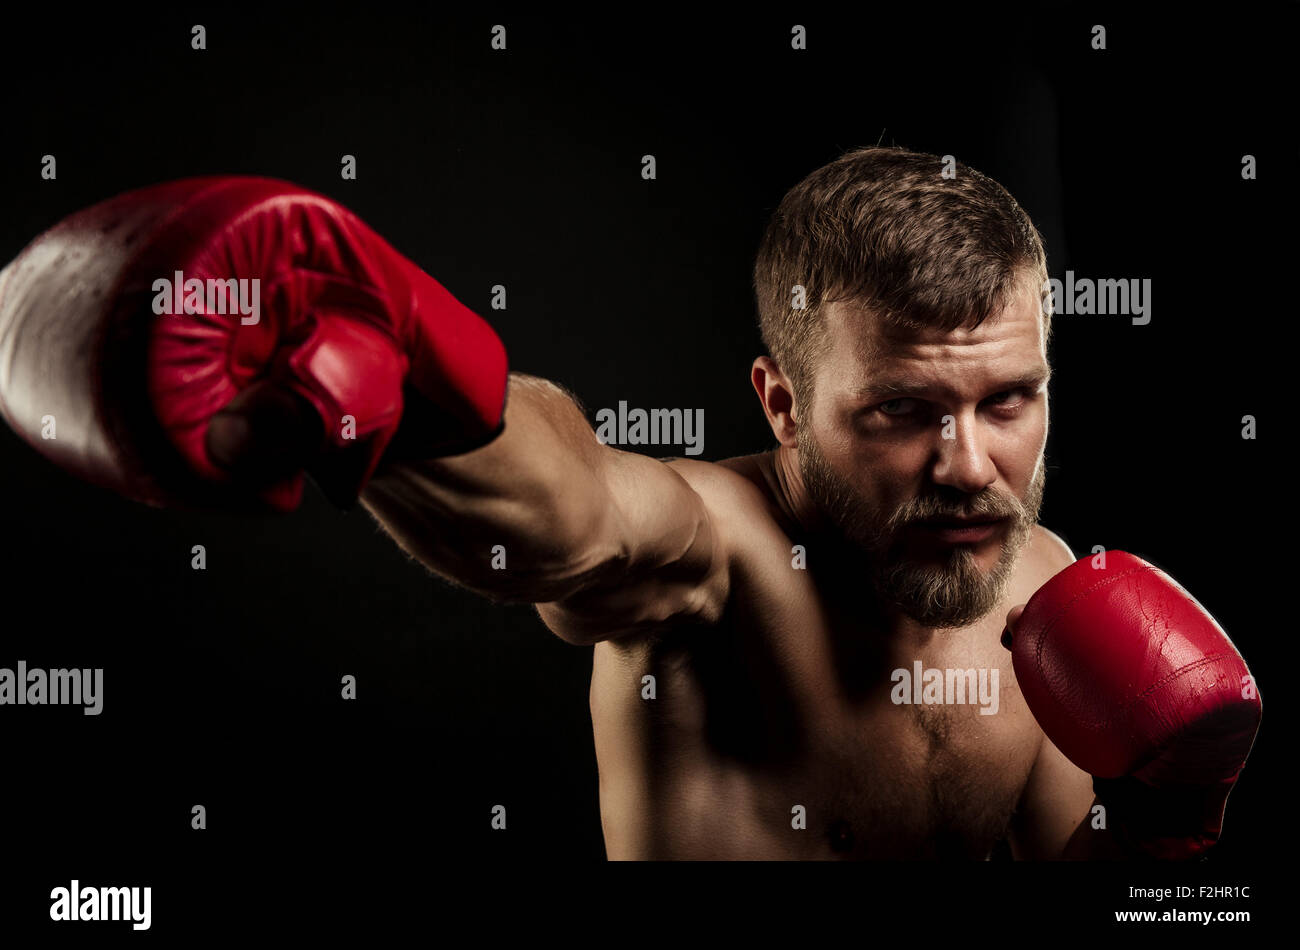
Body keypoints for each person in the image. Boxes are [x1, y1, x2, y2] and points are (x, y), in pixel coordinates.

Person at [0, 147, 1260, 860]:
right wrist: (413, 399)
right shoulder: (713, 559)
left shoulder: (1050, 591)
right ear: (777, 403)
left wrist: (1170, 826)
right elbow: (576, 507)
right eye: (901, 412)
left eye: (1008, 401)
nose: (970, 463)